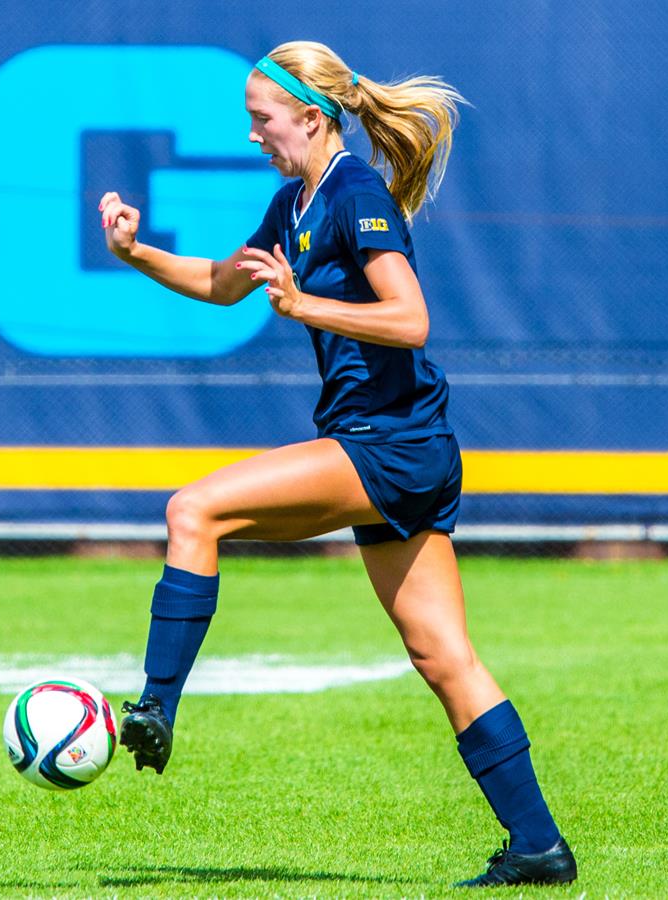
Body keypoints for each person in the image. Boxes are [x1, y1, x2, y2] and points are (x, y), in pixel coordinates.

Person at [96, 41, 575, 888]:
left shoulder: (356, 194)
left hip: (388, 444)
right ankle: (538, 846)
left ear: (313, 118)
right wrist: (136, 253)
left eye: (263, 120)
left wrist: (304, 304)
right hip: (400, 446)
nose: (254, 135)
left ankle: (155, 707)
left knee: (192, 511)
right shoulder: (294, 202)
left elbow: (411, 319)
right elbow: (222, 283)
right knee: (444, 657)